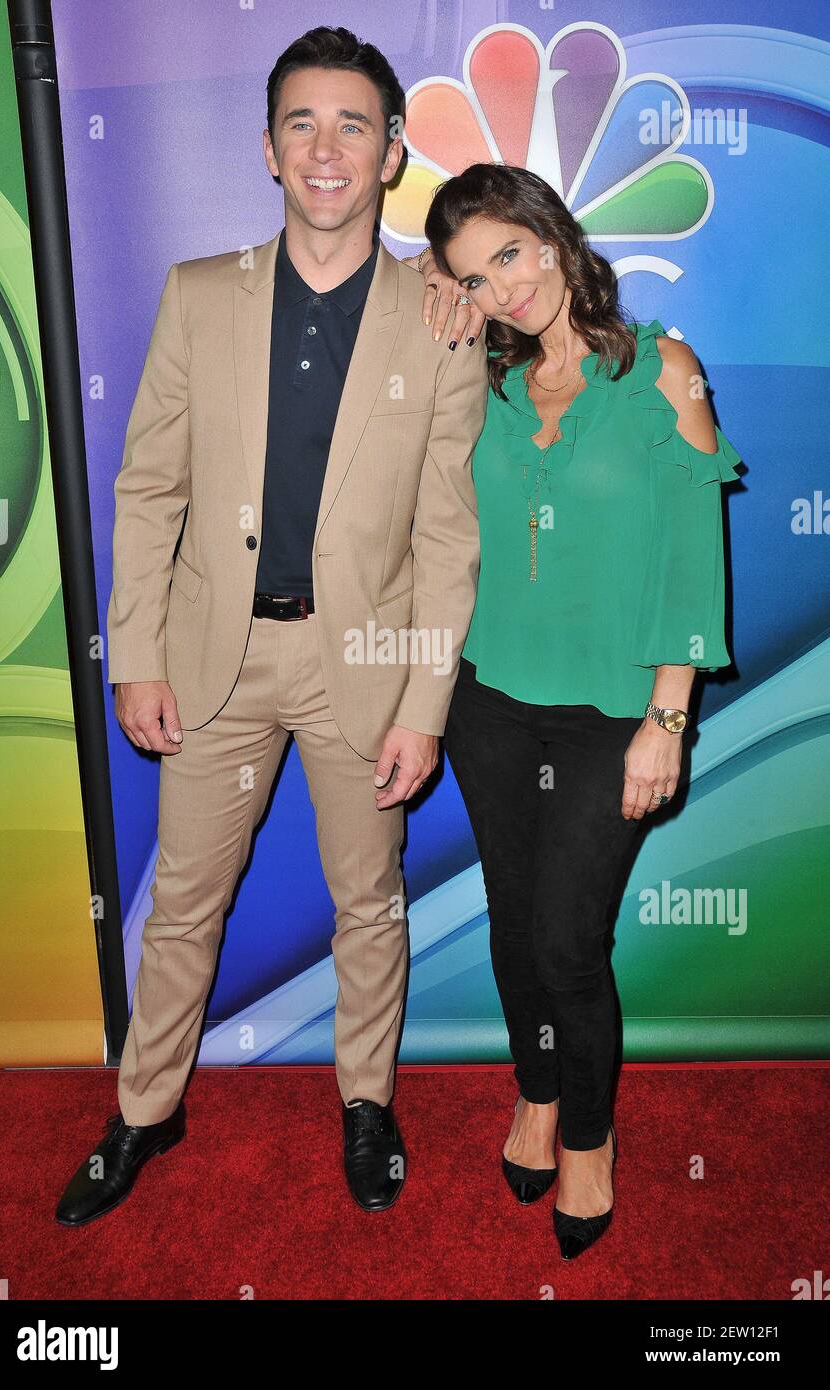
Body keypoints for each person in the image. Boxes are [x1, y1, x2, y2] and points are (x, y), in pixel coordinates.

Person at [55, 27, 487, 1227]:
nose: (326, 147)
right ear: (265, 148)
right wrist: (134, 655)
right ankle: (145, 1108)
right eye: (301, 122)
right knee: (185, 900)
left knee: (371, 901)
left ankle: (365, 1102)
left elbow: (448, 537)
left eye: (353, 123)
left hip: (366, 659)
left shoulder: (441, 319)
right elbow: (148, 491)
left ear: (392, 150)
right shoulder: (197, 296)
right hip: (214, 660)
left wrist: (421, 700)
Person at [406, 162, 743, 1259]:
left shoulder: (664, 373)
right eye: (471, 274)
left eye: (508, 252)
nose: (499, 287)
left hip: (612, 714)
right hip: (489, 702)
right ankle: (537, 1092)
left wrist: (668, 717)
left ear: (550, 238)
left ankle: (587, 1139)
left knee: (565, 937)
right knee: (512, 927)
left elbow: (695, 555)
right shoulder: (478, 382)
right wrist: (424, 300)